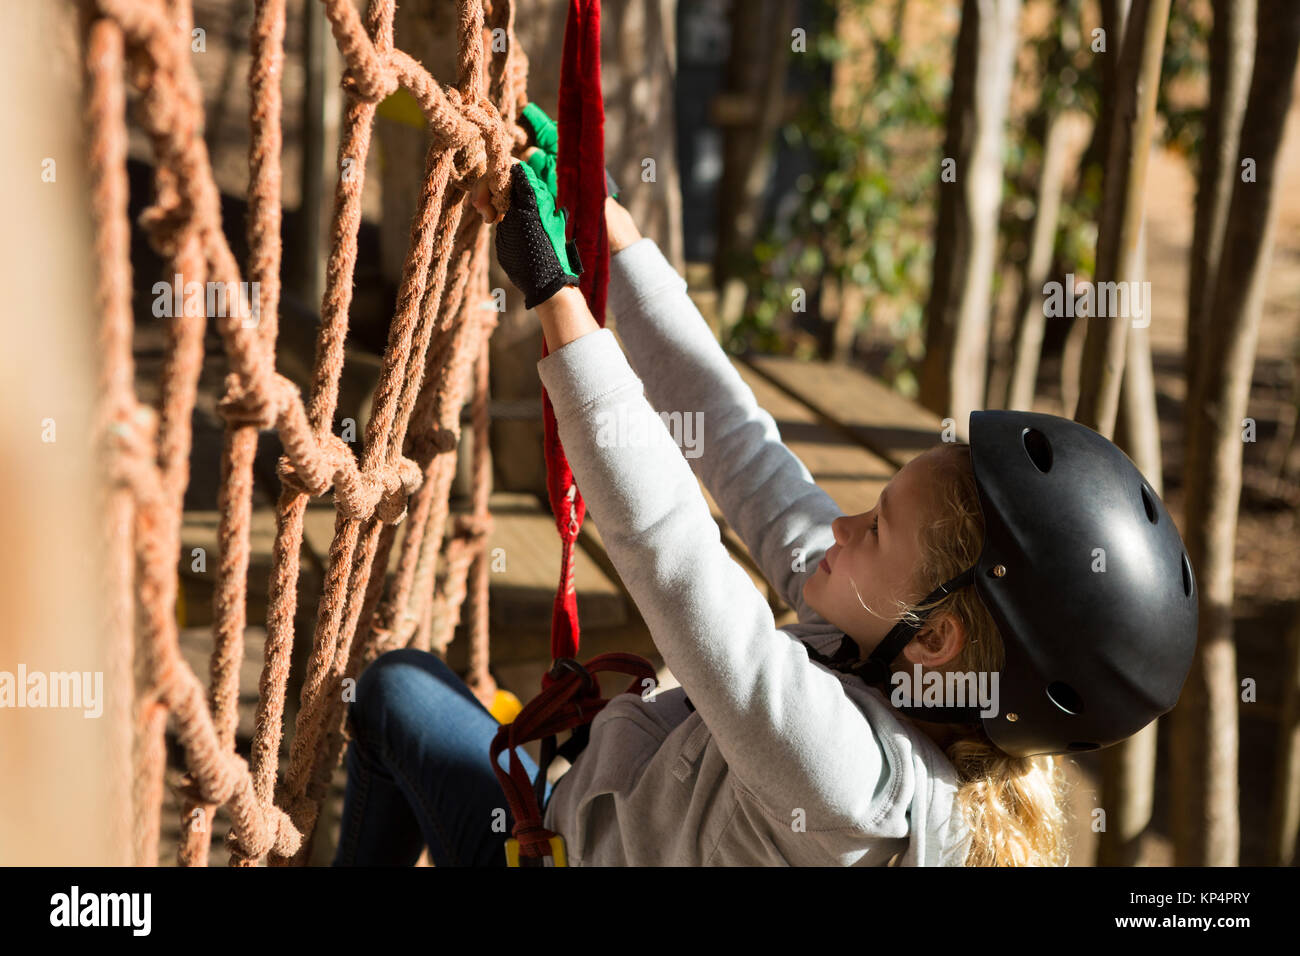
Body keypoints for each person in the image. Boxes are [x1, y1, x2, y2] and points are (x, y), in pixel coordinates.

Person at [331, 105, 1197, 867]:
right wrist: (606, 232)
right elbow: (741, 448)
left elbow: (676, 559)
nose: (842, 526)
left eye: (878, 528)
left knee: (396, 690)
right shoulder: (891, 650)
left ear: (937, 638)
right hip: (594, 806)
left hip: (553, 847)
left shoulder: (844, 783)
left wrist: (557, 297)